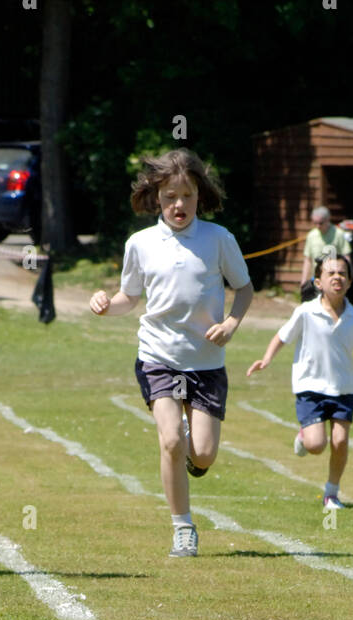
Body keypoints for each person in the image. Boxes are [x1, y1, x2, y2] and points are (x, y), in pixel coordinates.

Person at [89, 149, 253, 558]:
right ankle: (183, 527)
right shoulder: (140, 244)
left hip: (206, 363)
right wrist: (109, 304)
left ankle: (192, 458)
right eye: (169, 197)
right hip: (158, 356)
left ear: (200, 195)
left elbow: (244, 288)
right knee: (169, 441)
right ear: (155, 198)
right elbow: (130, 296)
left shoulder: (219, 240)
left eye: (187, 195)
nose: (178, 204)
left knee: (203, 452)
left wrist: (231, 323)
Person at [246, 254, 353, 509]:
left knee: (340, 441)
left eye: (342, 273)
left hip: (343, 388)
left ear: (350, 281)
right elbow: (282, 337)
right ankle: (304, 435)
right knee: (316, 445)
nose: (337, 278)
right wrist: (266, 359)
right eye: (330, 273)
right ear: (318, 282)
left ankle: (331, 493)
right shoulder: (306, 312)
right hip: (310, 387)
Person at [300, 207, 351, 293]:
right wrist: (304, 281)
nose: (318, 226)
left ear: (328, 220)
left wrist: (348, 277)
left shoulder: (338, 234)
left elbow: (346, 258)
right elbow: (308, 260)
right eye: (315, 223)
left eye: (320, 223)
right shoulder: (311, 235)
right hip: (317, 279)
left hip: (334, 279)